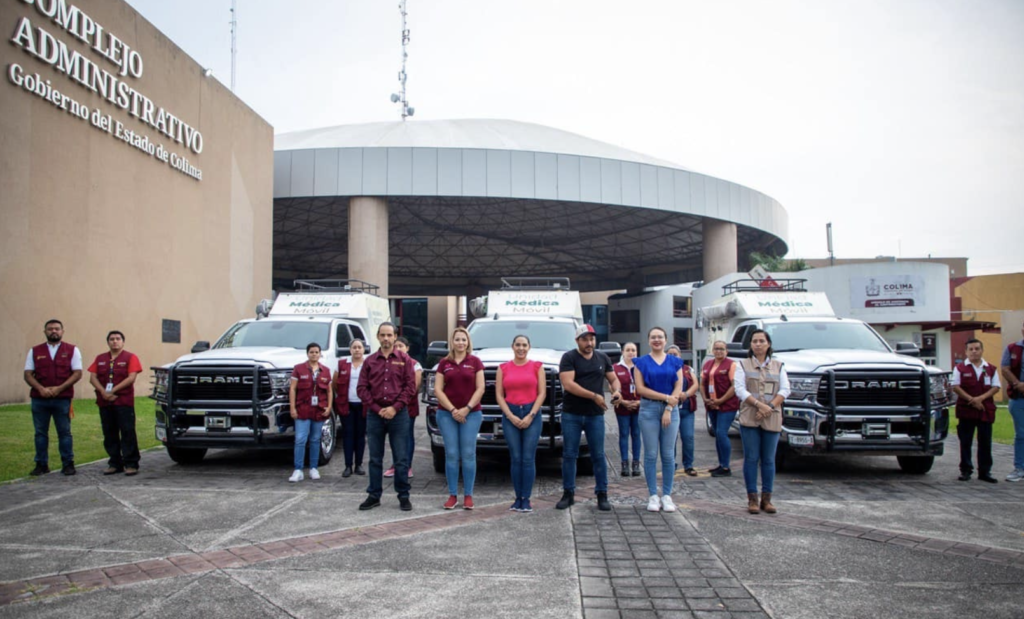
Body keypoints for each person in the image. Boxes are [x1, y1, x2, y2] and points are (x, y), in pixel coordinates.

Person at [557, 324, 622, 511]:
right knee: (570, 454)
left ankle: (602, 493)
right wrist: (594, 396)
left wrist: (616, 391)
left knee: (599, 455)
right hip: (572, 413)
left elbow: (613, 379)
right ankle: (568, 493)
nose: (589, 343)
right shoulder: (569, 357)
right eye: (585, 339)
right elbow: (568, 384)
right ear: (577, 340)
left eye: (591, 339)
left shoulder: (602, 357)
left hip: (595, 415)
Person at [357, 322, 417, 511]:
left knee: (400, 458)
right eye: (382, 335)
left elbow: (410, 387)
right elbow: (361, 388)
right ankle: (374, 495)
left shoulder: (404, 360)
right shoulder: (370, 361)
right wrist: (375, 407)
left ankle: (403, 496)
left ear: (395, 337)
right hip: (375, 415)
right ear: (377, 337)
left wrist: (395, 407)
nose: (386, 339)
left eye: (389, 335)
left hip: (399, 415)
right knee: (375, 458)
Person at [734, 329, 790, 514]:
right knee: (751, 458)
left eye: (761, 341)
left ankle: (767, 499)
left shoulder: (779, 366)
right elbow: (740, 390)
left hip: (772, 415)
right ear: (750, 344)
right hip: (750, 414)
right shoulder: (742, 365)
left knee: (768, 459)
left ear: (768, 344)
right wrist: (759, 405)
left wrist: (770, 407)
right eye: (754, 341)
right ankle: (752, 498)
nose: (758, 344)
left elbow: (785, 390)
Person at [434, 327, 485, 510]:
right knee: (452, 454)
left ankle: (468, 495)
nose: (460, 343)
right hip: (446, 414)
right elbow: (438, 390)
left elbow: (481, 388)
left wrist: (467, 409)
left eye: (464, 339)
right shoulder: (443, 363)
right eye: (457, 339)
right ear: (452, 342)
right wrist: (454, 410)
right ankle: (453, 494)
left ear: (468, 342)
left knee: (469, 454)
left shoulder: (476, 362)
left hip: (471, 414)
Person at [633, 327, 684, 512]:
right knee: (651, 454)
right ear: (648, 340)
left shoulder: (676, 361)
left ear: (665, 339)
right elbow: (640, 389)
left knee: (669, 454)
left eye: (660, 337)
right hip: (648, 409)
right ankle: (653, 495)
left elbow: (679, 385)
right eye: (653, 337)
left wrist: (669, 407)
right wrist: (665, 397)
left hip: (671, 410)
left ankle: (667, 495)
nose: (657, 340)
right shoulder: (640, 362)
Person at [24, 319, 83, 476]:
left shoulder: (72, 350)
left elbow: (77, 373)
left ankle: (68, 464)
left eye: (57, 329)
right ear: (45, 332)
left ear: (62, 331)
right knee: (40, 433)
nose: (54, 331)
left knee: (64, 433)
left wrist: (59, 389)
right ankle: (41, 464)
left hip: (62, 399)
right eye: (50, 329)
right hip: (39, 399)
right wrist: (40, 389)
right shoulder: (35, 351)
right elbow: (28, 374)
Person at [495, 334, 546, 512]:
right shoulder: (503, 368)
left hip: (532, 413)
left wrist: (531, 415)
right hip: (511, 414)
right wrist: (510, 415)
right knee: (516, 458)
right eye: (518, 345)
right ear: (512, 346)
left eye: (524, 345)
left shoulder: (537, 367)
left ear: (529, 347)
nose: (521, 348)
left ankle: (527, 498)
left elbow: (542, 394)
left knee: (528, 458)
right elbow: (499, 395)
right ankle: (517, 498)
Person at [87, 331, 143, 476]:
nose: (115, 341)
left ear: (123, 342)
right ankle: (114, 463)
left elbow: (131, 378)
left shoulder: (130, 357)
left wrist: (113, 391)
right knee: (109, 433)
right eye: (112, 339)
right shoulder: (100, 358)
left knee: (127, 432)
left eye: (118, 339)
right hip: (105, 402)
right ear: (108, 342)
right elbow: (92, 377)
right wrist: (103, 392)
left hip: (123, 402)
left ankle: (131, 463)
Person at [953, 338, 1001, 483]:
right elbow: (955, 386)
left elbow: (996, 387)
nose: (974, 351)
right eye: (971, 349)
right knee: (965, 441)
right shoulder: (960, 368)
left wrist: (980, 399)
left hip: (985, 410)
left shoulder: (991, 368)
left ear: (982, 350)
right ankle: (966, 470)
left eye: (977, 348)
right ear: (966, 351)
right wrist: (972, 401)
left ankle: (985, 472)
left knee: (985, 442)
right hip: (966, 410)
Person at [288, 343, 333, 482]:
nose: (314, 354)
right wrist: (292, 408)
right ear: (307, 353)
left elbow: (329, 390)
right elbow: (293, 389)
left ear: (320, 354)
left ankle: (314, 468)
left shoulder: (325, 370)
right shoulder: (299, 369)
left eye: (316, 352)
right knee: (300, 439)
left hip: (318, 410)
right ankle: (298, 469)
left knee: (315, 439)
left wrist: (329, 407)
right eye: (311, 352)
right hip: (302, 409)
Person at [385, 336, 422, 480]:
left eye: (401, 346)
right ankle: (396, 465)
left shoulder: (415, 364)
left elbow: (415, 387)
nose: (398, 349)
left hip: (408, 406)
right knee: (394, 437)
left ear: (407, 348)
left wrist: (400, 401)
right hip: (392, 407)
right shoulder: (390, 362)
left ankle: (407, 466)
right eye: (396, 346)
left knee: (407, 436)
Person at [701, 340, 740, 477]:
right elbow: (702, 383)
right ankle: (721, 463)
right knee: (717, 434)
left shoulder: (731, 365)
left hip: (727, 405)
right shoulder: (708, 364)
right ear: (712, 350)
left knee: (722, 433)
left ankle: (725, 467)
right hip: (711, 405)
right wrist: (705, 399)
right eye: (716, 348)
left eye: (722, 349)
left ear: (726, 351)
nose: (719, 351)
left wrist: (720, 400)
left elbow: (734, 386)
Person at [334, 339, 367, 478]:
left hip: (363, 405)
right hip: (346, 404)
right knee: (348, 435)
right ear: (350, 349)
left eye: (359, 347)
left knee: (360, 435)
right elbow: (335, 384)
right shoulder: (342, 364)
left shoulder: (368, 364)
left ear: (363, 350)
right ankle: (348, 466)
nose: (357, 350)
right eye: (354, 347)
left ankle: (358, 464)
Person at [613, 342, 642, 478]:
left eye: (634, 350)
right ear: (623, 352)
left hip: (639, 406)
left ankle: (636, 462)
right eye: (628, 350)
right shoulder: (616, 368)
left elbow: (646, 386)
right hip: (622, 407)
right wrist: (623, 402)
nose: (631, 353)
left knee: (636, 434)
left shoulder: (641, 367)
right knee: (624, 434)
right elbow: (612, 387)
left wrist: (639, 402)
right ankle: (624, 462)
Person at [1001, 320, 1024, 483]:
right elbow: (1005, 368)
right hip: (1018, 398)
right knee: (1021, 434)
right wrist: (1018, 384)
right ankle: (1019, 468)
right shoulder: (1012, 348)